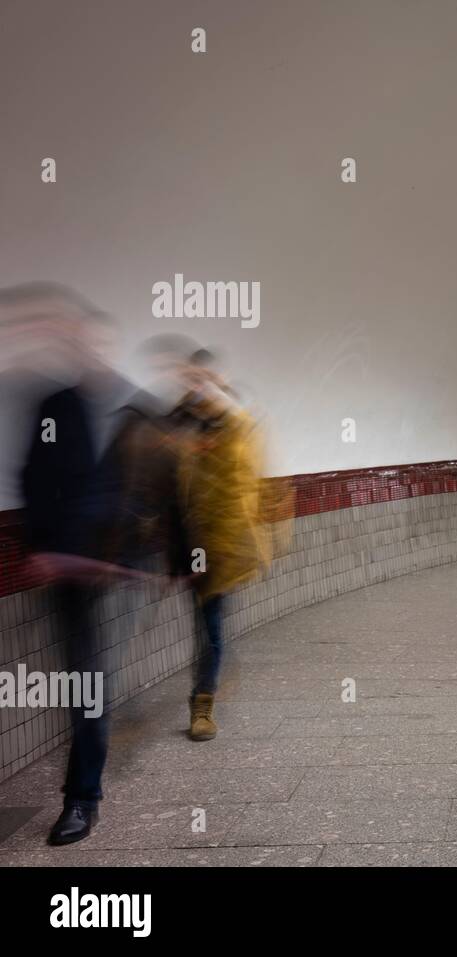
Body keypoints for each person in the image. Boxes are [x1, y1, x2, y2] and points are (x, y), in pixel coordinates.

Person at [4, 283, 141, 845]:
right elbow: (33, 478)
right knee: (88, 683)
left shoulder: (130, 410)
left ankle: (84, 793)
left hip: (120, 570)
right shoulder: (53, 406)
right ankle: (82, 797)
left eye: (85, 339)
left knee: (94, 684)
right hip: (69, 571)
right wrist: (41, 549)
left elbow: (146, 490)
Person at [172, 349, 272, 741]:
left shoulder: (235, 428)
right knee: (208, 630)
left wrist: (233, 550)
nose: (200, 387)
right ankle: (203, 696)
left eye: (206, 380)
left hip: (218, 551)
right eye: (192, 380)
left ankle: (203, 705)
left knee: (210, 631)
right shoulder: (177, 428)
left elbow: (243, 489)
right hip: (185, 547)